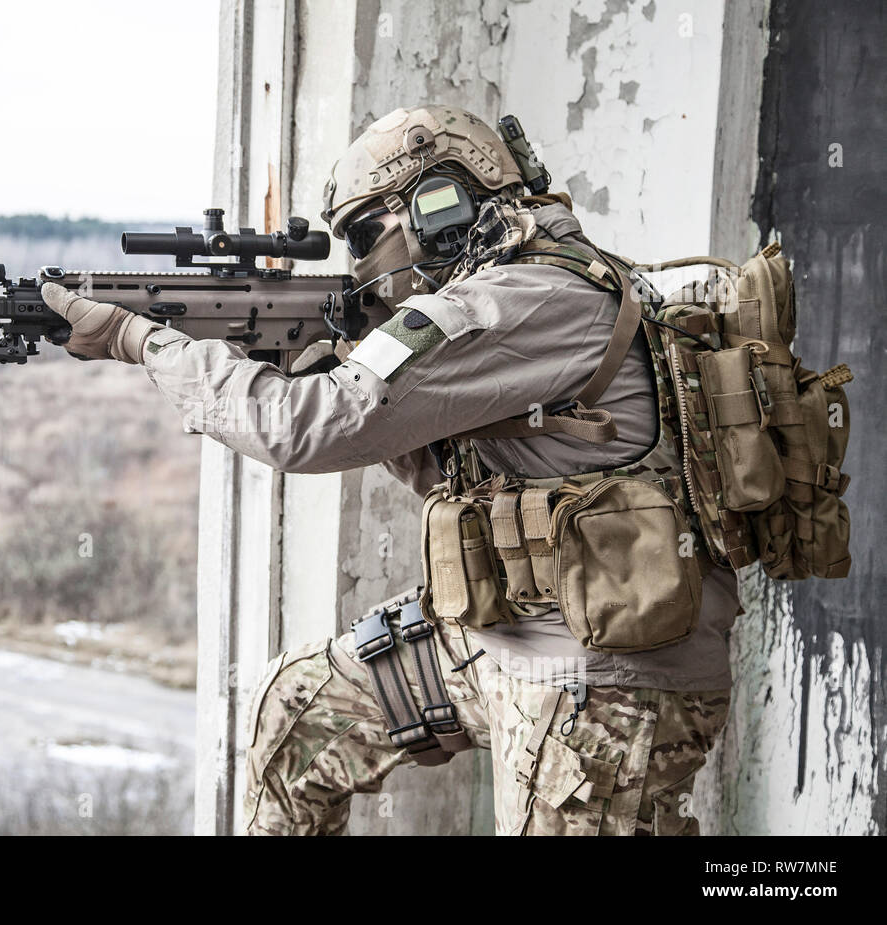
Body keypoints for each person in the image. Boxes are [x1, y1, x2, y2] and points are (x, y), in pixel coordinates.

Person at [40, 104, 735, 836]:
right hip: (501, 635)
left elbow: (302, 430)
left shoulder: (520, 300)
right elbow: (457, 480)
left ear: (441, 204)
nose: (362, 261)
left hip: (611, 680)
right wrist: (318, 359)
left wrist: (140, 340)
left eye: (369, 233)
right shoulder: (509, 295)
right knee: (299, 714)